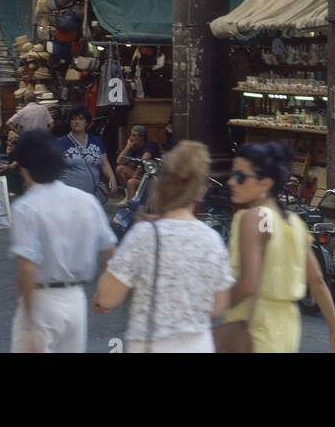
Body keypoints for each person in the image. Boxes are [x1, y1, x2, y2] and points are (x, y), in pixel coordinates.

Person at [94, 140, 234, 352]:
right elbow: (220, 303)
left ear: (159, 185)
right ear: (200, 192)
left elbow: (108, 297)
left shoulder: (144, 234)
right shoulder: (211, 239)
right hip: (198, 345)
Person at [224, 141, 335, 354]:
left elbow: (248, 284)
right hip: (286, 328)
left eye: (241, 176)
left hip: (253, 327)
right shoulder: (293, 223)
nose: (232, 182)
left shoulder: (254, 217)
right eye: (233, 174)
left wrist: (210, 309)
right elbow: (317, 280)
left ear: (265, 183)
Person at [9, 130, 116, 353]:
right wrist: (104, 291)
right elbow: (109, 249)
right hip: (76, 300)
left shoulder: (26, 207)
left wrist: (30, 321)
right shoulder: (87, 202)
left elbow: (26, 268)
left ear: (24, 166)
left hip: (42, 300)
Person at [59, 108, 118, 202]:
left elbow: (104, 163)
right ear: (69, 122)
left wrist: (112, 178)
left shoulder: (96, 141)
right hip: (70, 195)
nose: (77, 121)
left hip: (93, 195)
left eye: (81, 119)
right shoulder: (61, 143)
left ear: (87, 123)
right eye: (73, 119)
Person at [115, 125, 160, 196]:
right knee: (119, 169)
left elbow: (145, 159)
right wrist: (128, 146)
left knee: (131, 182)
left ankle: (131, 201)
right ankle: (127, 195)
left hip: (151, 177)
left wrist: (135, 175)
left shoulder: (150, 144)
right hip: (140, 176)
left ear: (141, 137)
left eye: (133, 135)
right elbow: (119, 161)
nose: (130, 137)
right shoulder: (134, 147)